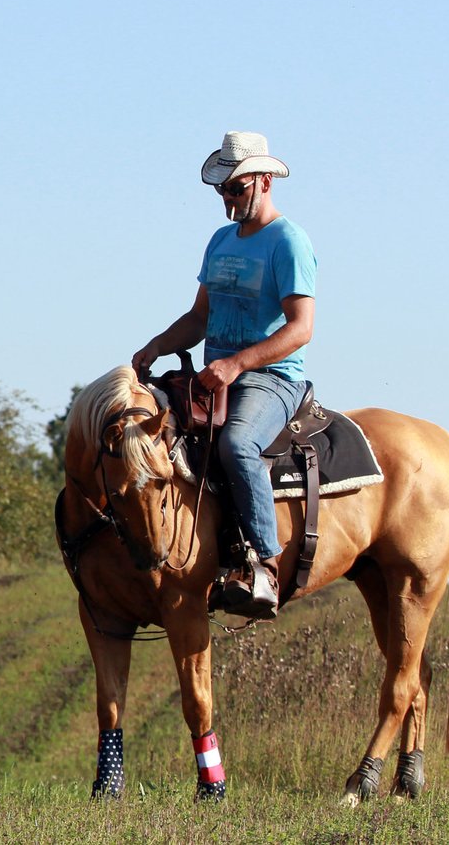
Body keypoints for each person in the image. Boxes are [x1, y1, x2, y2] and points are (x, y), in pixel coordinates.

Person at [131, 132, 316, 619]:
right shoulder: (220, 241)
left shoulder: (288, 241)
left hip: (271, 377)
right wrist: (156, 346)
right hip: (216, 374)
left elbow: (301, 329)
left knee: (236, 445)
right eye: (222, 190)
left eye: (235, 188)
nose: (227, 198)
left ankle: (266, 567)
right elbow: (199, 319)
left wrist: (236, 363)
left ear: (264, 180)